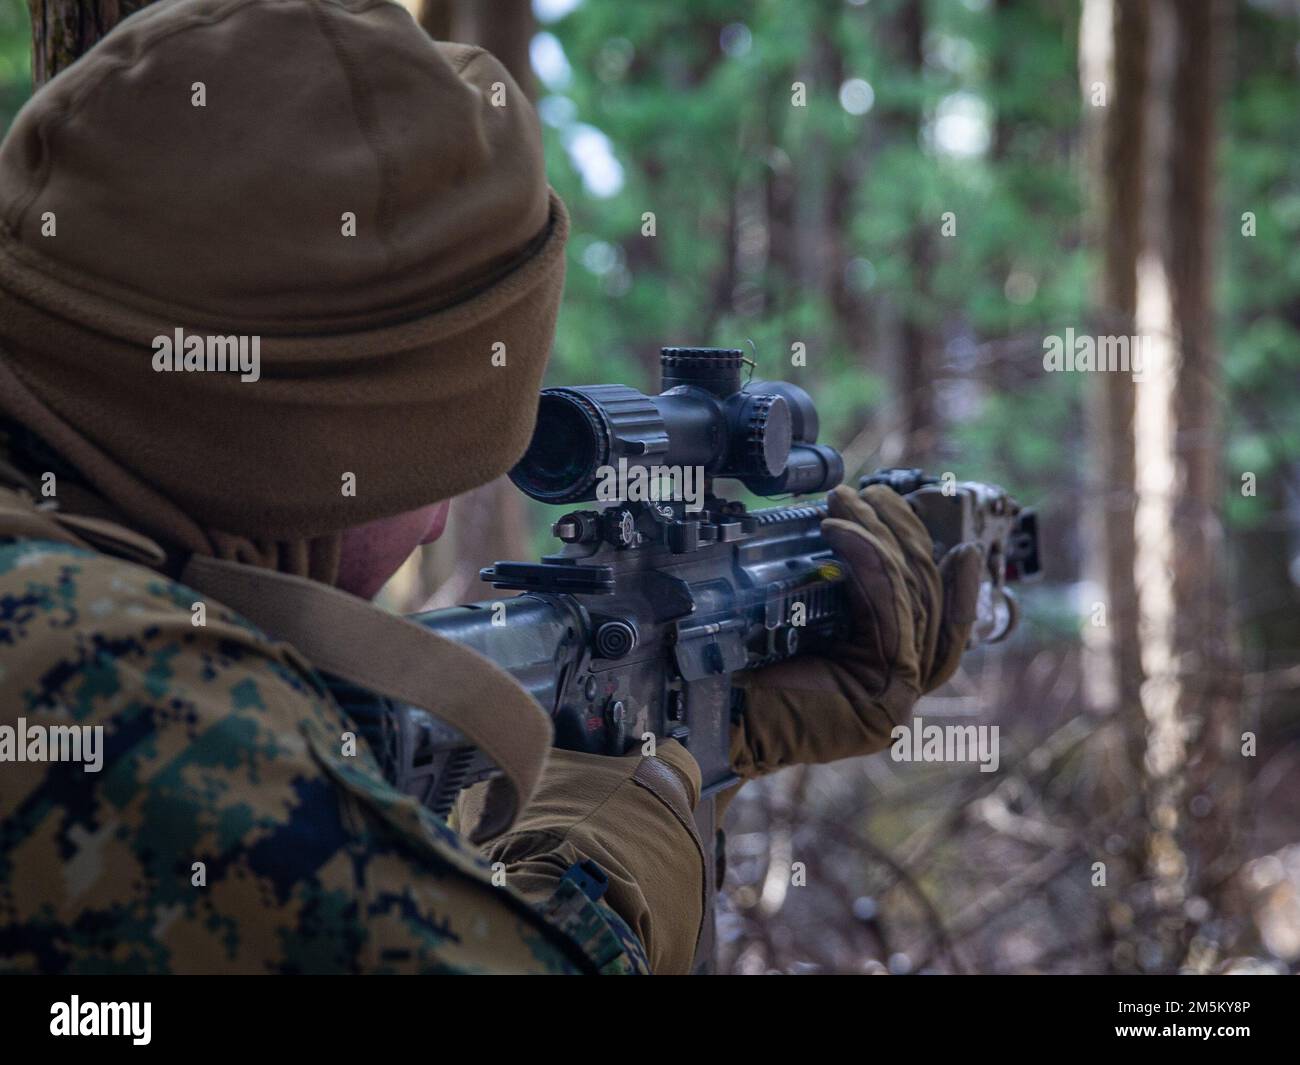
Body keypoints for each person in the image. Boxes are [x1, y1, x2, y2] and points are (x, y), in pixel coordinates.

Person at [0, 0, 980, 975]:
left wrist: (711, 734)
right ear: (291, 450)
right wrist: (623, 842)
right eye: (431, 464)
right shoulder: (102, 678)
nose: (432, 524)